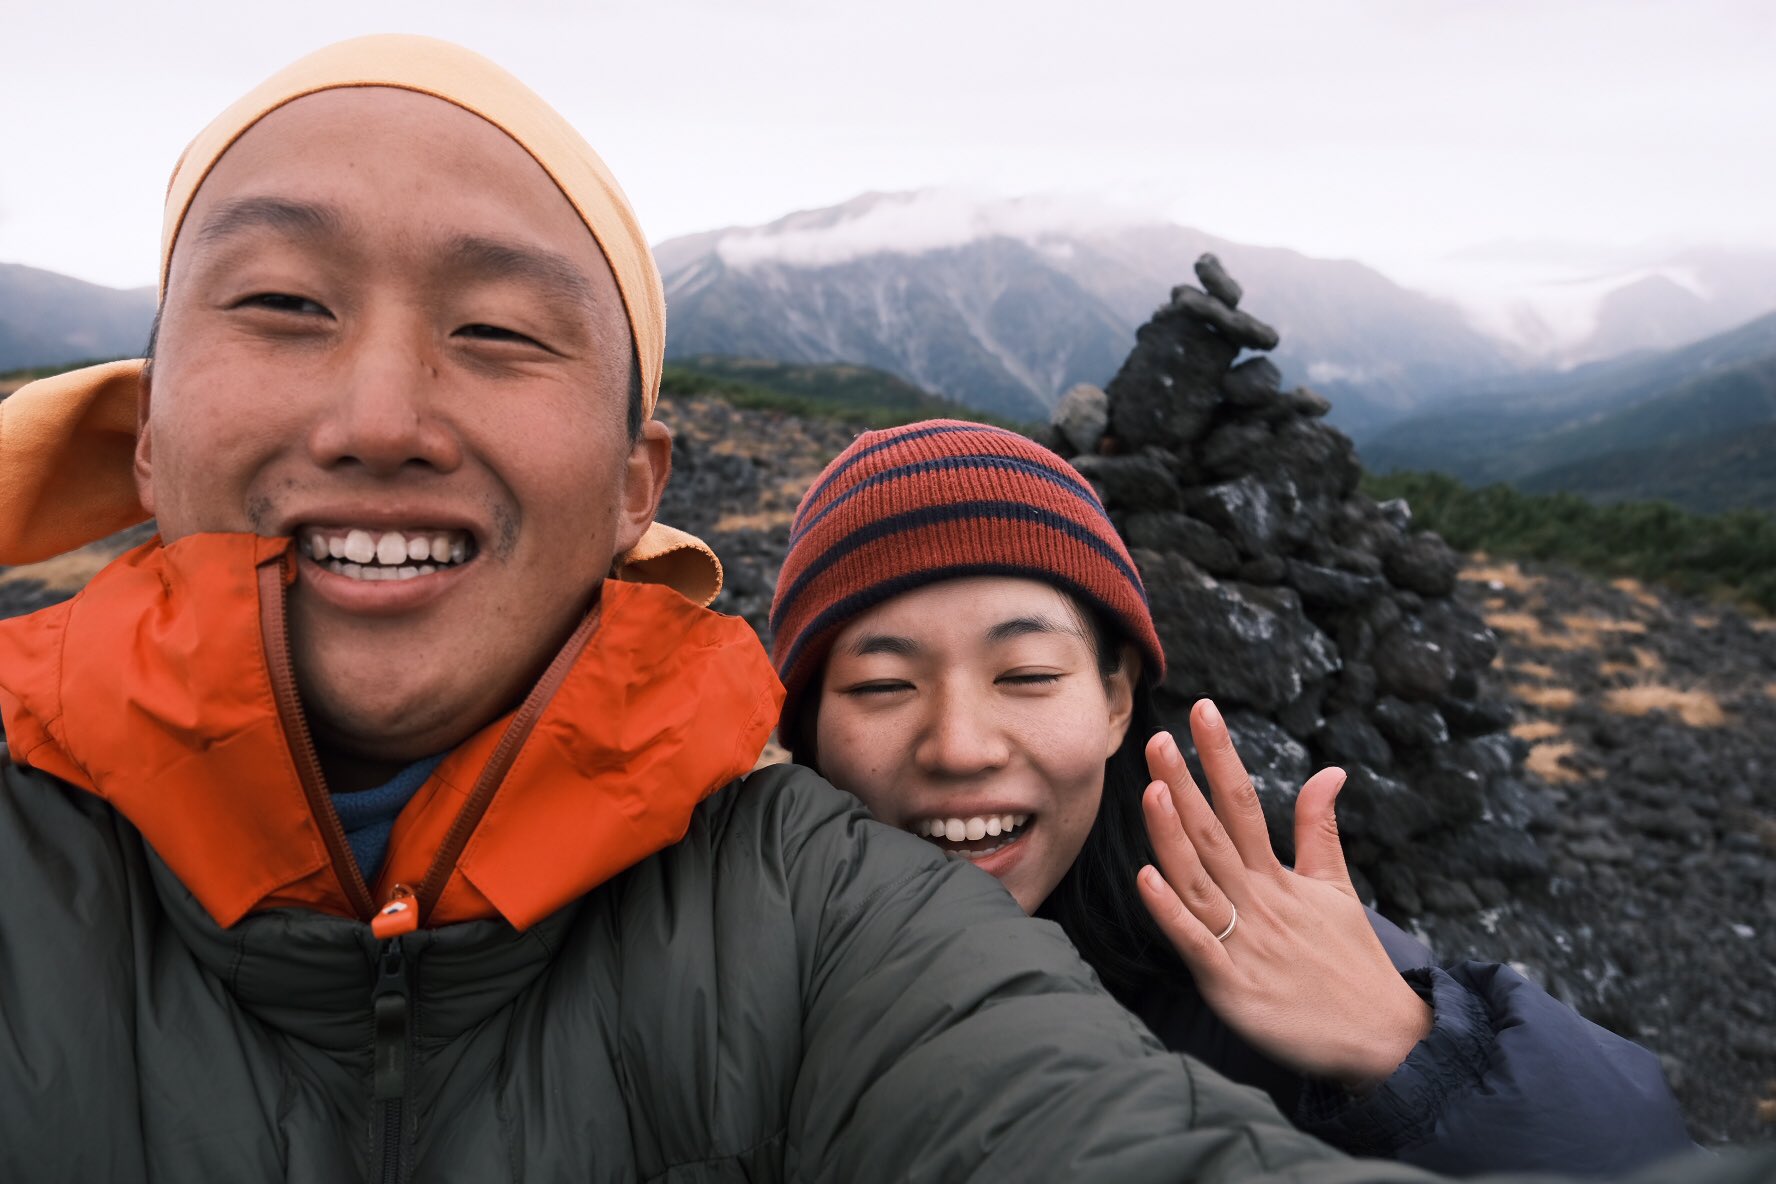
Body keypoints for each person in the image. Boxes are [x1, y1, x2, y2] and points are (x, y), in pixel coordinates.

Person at [2, 32, 1576, 1184]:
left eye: (497, 328)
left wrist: (1420, 1054)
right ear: (145, 429)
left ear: (639, 483)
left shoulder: (812, 921)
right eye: (282, 303)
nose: (380, 413)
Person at [769, 418, 1696, 1177]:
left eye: (1027, 673)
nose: (961, 747)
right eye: (883, 686)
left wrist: (1415, 1052)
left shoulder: (1253, 951)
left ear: (1117, 701)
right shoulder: (724, 961)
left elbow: (1643, 1157)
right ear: (802, 730)